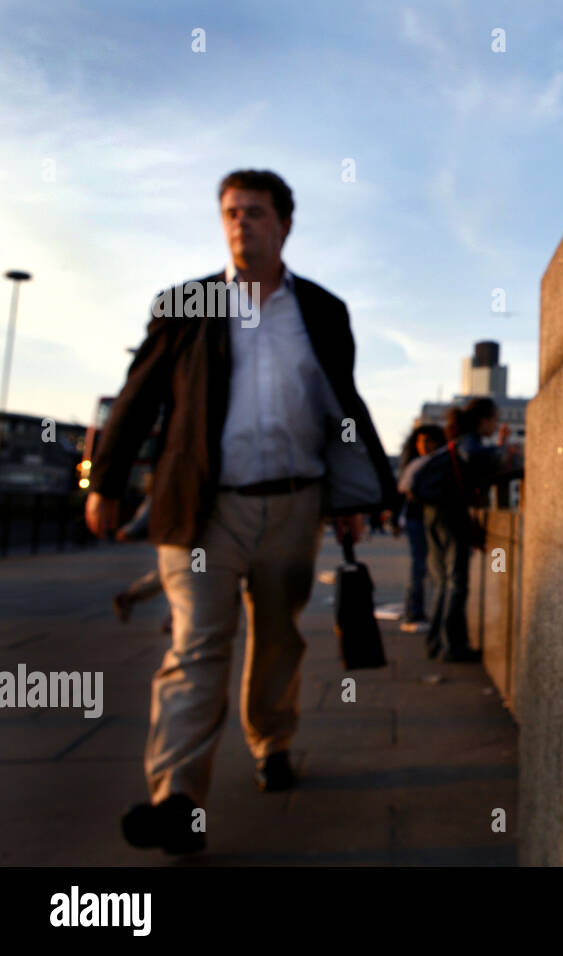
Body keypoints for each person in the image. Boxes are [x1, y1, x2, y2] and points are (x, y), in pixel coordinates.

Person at [85, 169, 398, 855]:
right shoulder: (185, 304)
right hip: (204, 508)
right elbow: (137, 394)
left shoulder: (322, 309)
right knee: (196, 645)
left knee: (279, 634)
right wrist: (104, 481)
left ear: (285, 224)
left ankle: (272, 741)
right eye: (230, 212)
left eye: (254, 213)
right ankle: (177, 800)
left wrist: (351, 498)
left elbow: (340, 407)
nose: (240, 224)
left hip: (295, 503)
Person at [423, 397, 514, 663]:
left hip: (434, 511)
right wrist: (503, 448)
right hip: (450, 514)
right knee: (456, 581)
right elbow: (476, 458)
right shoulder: (470, 441)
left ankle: (436, 642)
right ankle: (453, 645)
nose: (495, 425)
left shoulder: (460, 438)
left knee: (443, 580)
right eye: (494, 420)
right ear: (483, 420)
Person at [395, 423, 445, 632]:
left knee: (426, 567)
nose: (423, 445)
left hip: (426, 519)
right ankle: (415, 611)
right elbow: (402, 493)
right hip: (419, 519)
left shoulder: (432, 462)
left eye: (428, 441)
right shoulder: (419, 464)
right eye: (420, 441)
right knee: (421, 566)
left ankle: (418, 610)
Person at [111, 491, 171, 634]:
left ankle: (132, 595)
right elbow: (155, 499)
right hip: (191, 538)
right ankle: (174, 618)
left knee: (175, 574)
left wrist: (132, 528)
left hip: (179, 536)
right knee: (193, 575)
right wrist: (133, 528)